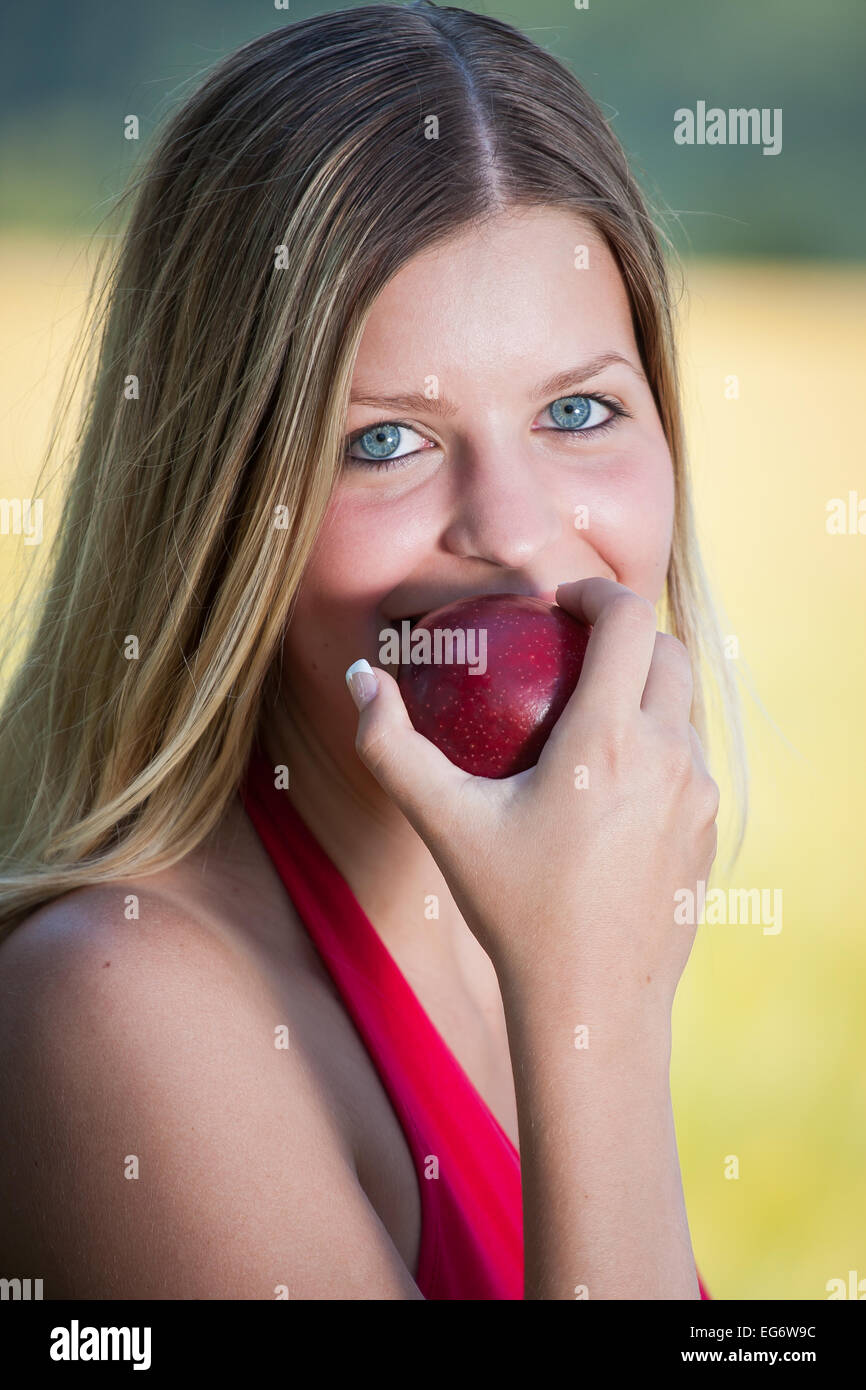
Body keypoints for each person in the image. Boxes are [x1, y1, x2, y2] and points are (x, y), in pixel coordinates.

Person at [0, 2, 744, 1298]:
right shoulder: (113, 1003)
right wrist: (598, 1022)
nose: (514, 538)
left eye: (578, 409)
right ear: (223, 506)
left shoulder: (519, 899)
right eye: (383, 439)